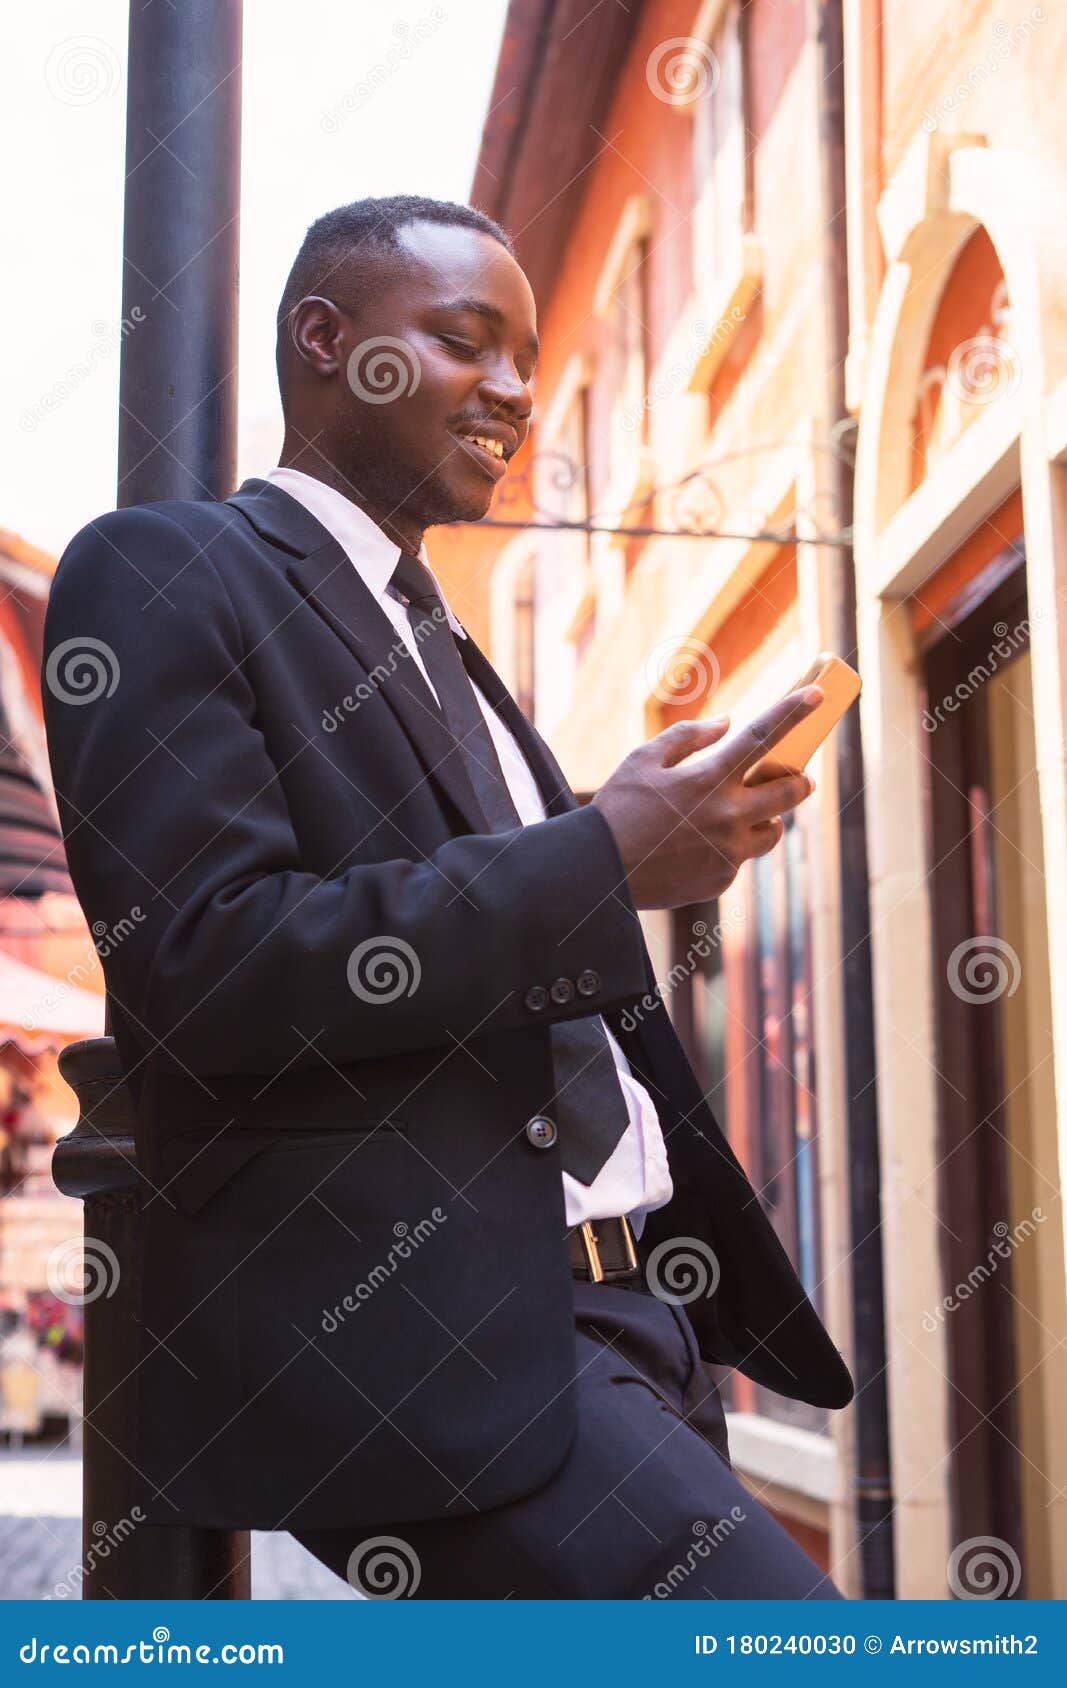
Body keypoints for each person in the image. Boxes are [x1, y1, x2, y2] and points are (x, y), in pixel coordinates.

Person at [41, 194, 850, 1599]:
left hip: (626, 1314)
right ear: (325, 342)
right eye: (467, 342)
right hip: (440, 1351)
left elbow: (473, 928)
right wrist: (602, 852)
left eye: (529, 361)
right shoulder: (168, 570)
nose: (517, 392)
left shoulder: (437, 635)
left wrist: (626, 840)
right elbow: (203, 960)